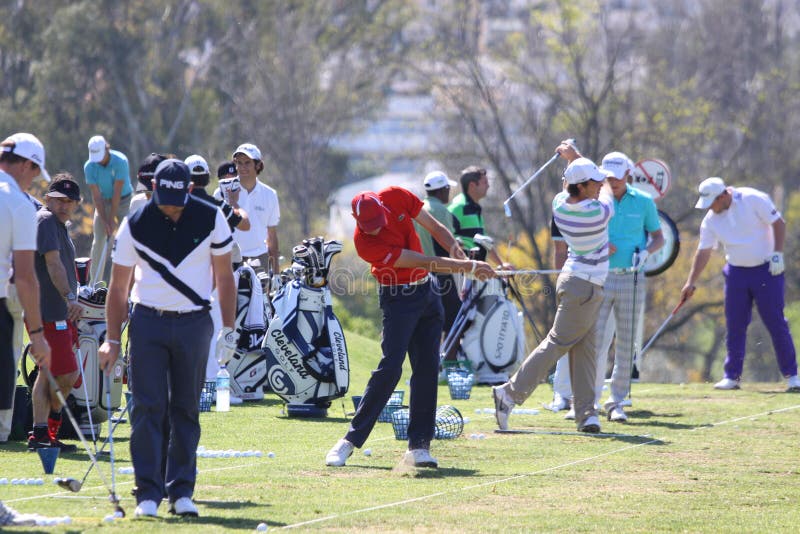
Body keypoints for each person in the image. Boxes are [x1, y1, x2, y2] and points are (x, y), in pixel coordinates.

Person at [98, 159, 236, 518]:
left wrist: (230, 328)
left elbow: (224, 276)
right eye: (164, 199)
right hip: (148, 322)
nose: (171, 207)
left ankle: (181, 492)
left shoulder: (211, 217)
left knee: (186, 408)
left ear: (190, 190)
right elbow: (118, 287)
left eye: (177, 199)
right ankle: (147, 493)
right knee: (147, 406)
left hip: (195, 323)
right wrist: (112, 339)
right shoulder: (136, 223)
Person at [325, 186, 495, 468]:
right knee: (391, 367)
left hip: (428, 294)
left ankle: (419, 447)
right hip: (398, 298)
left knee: (428, 369)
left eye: (378, 223)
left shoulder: (396, 196)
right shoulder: (366, 244)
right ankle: (349, 441)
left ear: (382, 207)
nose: (376, 230)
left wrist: (463, 257)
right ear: (357, 222)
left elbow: (436, 228)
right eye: (369, 227)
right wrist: (467, 268)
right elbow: (424, 261)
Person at [492, 142, 614, 434]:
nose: (600, 185)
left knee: (585, 347)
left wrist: (572, 163)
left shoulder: (560, 204)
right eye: (594, 183)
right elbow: (609, 190)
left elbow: (568, 185)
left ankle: (586, 413)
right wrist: (575, 156)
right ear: (582, 186)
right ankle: (509, 393)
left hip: (576, 281)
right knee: (558, 343)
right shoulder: (598, 212)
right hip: (584, 285)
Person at [548, 152, 664, 422]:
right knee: (593, 341)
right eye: (607, 176)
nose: (611, 181)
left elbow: (658, 237)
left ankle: (617, 402)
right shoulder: (597, 199)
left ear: (628, 174)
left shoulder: (644, 202)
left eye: (616, 176)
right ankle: (587, 402)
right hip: (599, 276)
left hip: (631, 276)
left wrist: (647, 252)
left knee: (626, 343)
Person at [681, 177, 800, 392]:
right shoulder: (710, 220)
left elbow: (778, 223)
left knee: (775, 322)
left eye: (712, 202)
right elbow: (704, 251)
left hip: (766, 270)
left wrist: (777, 254)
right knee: (735, 324)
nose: (710, 208)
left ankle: (792, 376)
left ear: (723, 195)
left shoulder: (752, 199)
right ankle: (732, 376)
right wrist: (690, 282)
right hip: (736, 273)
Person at [0, 133, 52, 441]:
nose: (33, 181)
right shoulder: (19, 203)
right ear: (26, 165)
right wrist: (37, 335)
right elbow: (25, 276)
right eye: (35, 172)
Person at [186, 154, 250, 397]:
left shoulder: (177, 203)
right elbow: (244, 223)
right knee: (213, 331)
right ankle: (211, 385)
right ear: (207, 178)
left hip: (185, 278)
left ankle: (195, 385)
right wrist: (233, 203)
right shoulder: (217, 205)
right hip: (214, 275)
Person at [27, 175, 84, 452]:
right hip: (48, 312)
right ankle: (45, 430)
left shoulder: (58, 225)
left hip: (59, 311)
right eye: (59, 200)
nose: (64, 206)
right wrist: (71, 297)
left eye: (70, 201)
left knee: (50, 372)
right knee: (67, 372)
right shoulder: (47, 221)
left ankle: (43, 433)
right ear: (48, 198)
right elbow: (53, 265)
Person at [0, 192, 41, 443]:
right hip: (12, 289)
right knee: (9, 359)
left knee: (10, 360)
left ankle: (4, 429)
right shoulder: (25, 203)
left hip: (11, 288)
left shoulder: (27, 204)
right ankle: (2, 430)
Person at [214, 143, 280, 272]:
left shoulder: (270, 194)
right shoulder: (221, 192)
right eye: (239, 163)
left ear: (258, 165)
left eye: (247, 163)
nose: (242, 167)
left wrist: (276, 273)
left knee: (261, 292)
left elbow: (272, 236)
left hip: (260, 260)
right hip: (230, 258)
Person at [413, 170, 462, 334]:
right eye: (448, 188)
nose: (449, 191)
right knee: (455, 321)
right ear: (442, 190)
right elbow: (450, 244)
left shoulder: (417, 208)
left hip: (417, 272)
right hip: (440, 272)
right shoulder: (441, 210)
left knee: (428, 323)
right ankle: (449, 359)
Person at [85, 135, 132, 283]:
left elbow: (117, 192)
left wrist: (111, 220)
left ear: (107, 149)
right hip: (103, 204)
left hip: (124, 201)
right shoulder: (89, 166)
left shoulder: (121, 161)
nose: (98, 160)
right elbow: (96, 196)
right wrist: (105, 220)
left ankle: (126, 284)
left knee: (128, 239)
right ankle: (95, 285)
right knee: (99, 240)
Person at [448, 166, 511, 267]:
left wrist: (502, 265)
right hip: (462, 272)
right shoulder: (458, 207)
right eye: (485, 182)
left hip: (475, 270)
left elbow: (484, 242)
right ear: (472, 185)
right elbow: (445, 237)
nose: (488, 186)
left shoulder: (475, 207)